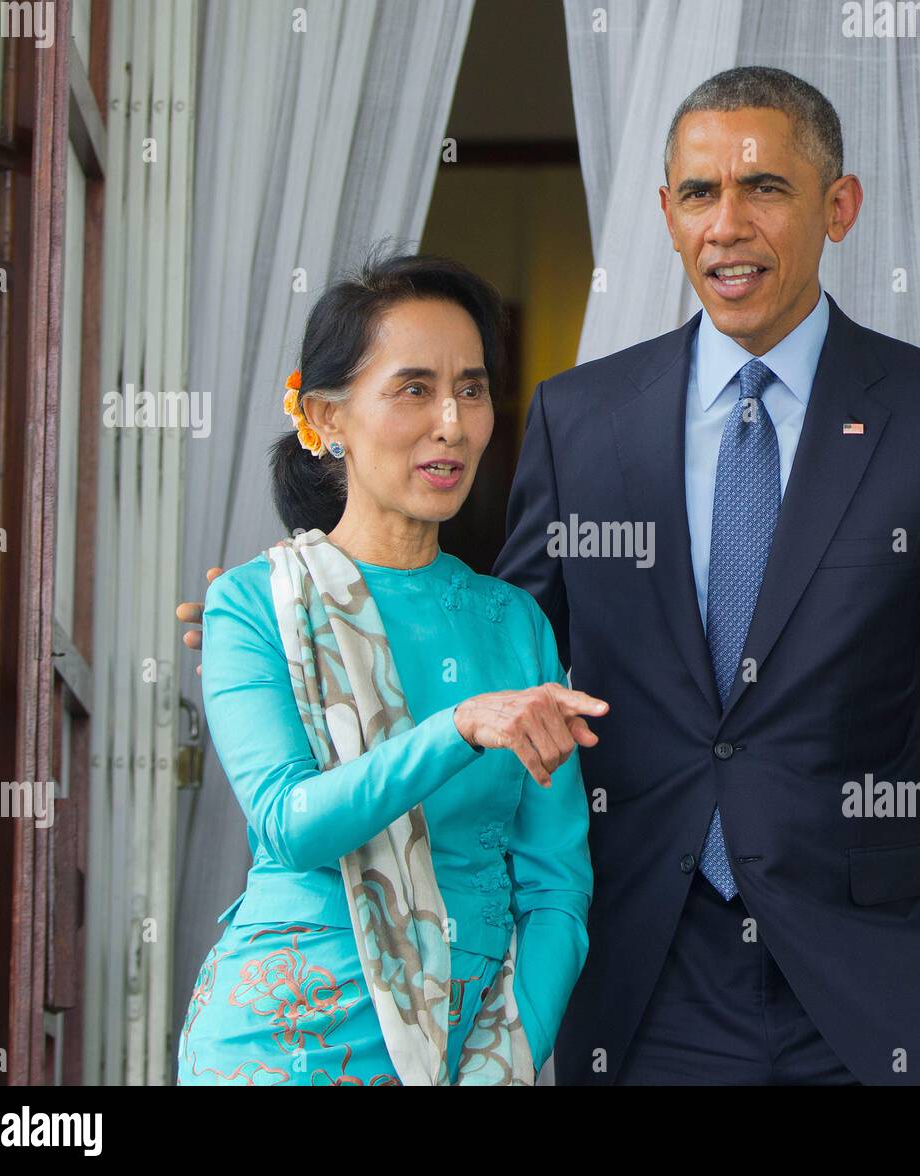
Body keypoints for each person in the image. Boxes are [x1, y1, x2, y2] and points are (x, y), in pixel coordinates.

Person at [181, 67, 920, 1086]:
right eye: (699, 193)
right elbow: (509, 646)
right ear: (664, 212)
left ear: (840, 206)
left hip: (863, 978)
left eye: (765, 190)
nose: (726, 225)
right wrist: (297, 623)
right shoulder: (582, 419)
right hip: (642, 967)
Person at [175, 248, 602, 1086]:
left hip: (466, 1046)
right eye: (414, 388)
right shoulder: (257, 606)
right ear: (325, 417)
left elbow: (557, 889)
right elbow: (292, 823)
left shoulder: (512, 624)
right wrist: (458, 728)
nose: (451, 421)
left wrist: (493, 1068)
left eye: (471, 389)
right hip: (282, 1042)